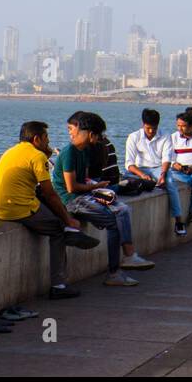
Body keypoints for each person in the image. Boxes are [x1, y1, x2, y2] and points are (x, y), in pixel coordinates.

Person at [0, 121, 99, 299]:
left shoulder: (11, 151)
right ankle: (59, 284)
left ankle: (70, 230)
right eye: (46, 138)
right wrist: (68, 219)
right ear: (37, 139)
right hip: (20, 209)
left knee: (43, 198)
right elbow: (50, 194)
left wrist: (46, 154)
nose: (48, 142)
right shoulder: (37, 156)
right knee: (57, 231)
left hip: (0, 207)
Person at [52, 111, 154, 282]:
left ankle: (128, 257)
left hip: (84, 196)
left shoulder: (83, 151)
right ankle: (114, 272)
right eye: (99, 136)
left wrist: (96, 191)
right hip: (73, 201)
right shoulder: (69, 152)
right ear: (92, 134)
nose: (100, 140)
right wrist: (97, 186)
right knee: (113, 223)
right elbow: (71, 187)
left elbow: (82, 180)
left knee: (122, 209)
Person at [124, 109, 168, 187]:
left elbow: (166, 159)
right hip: (139, 168)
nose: (151, 131)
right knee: (126, 180)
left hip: (158, 168)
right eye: (148, 128)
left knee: (170, 182)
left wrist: (163, 174)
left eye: (154, 128)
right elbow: (129, 163)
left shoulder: (165, 136)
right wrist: (142, 175)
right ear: (143, 124)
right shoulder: (133, 137)